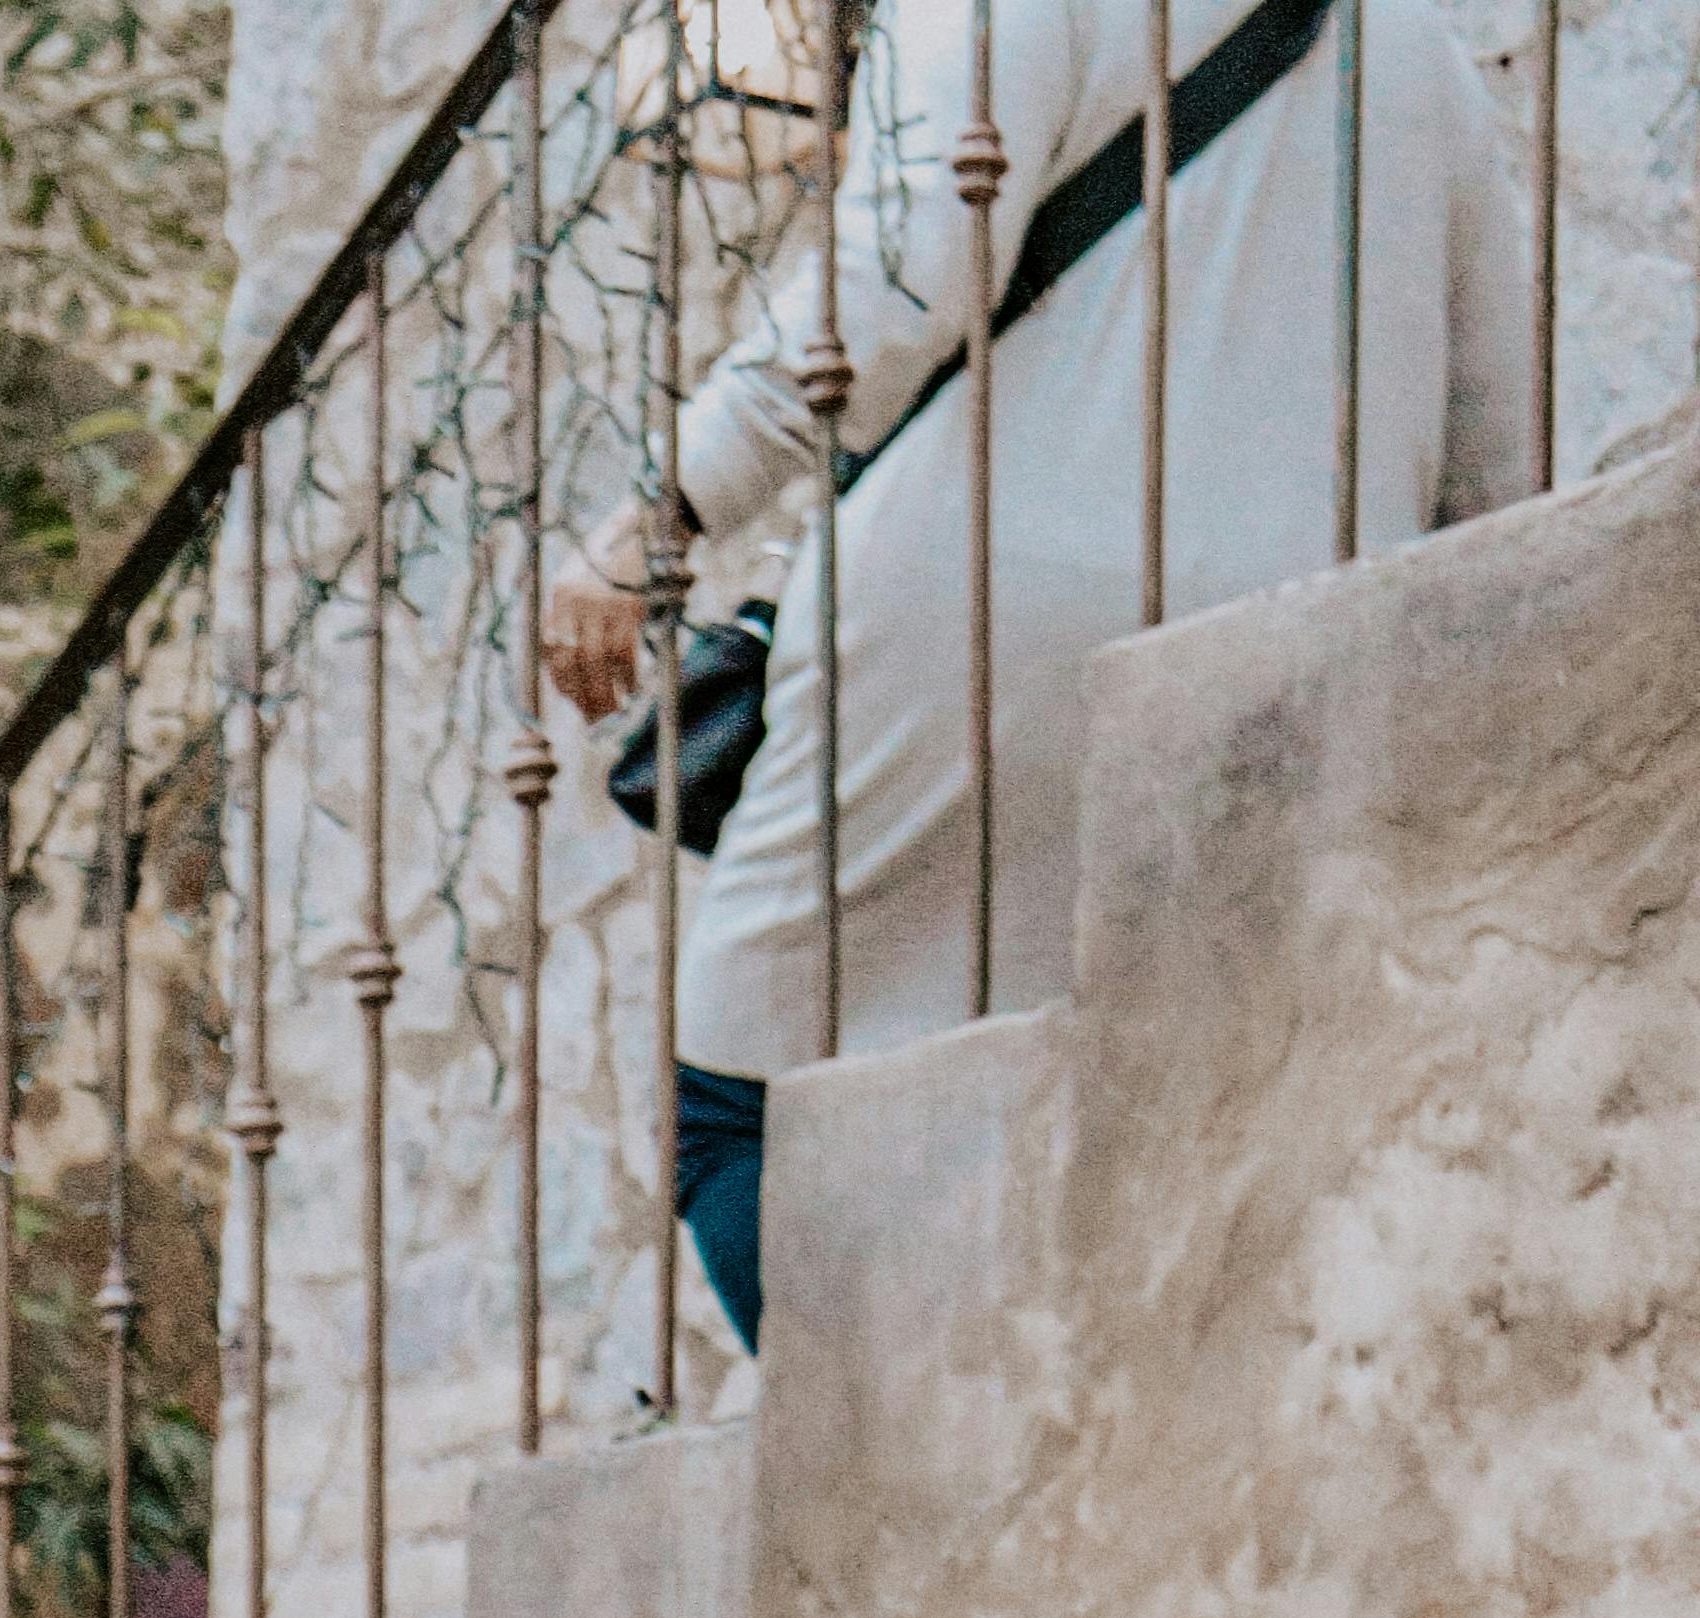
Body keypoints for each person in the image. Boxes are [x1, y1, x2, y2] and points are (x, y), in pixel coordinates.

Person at [544, 0, 1530, 1345]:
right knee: (1160, 1091)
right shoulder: (1426, 65)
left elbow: (896, 277)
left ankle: (901, 1469)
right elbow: (1497, 464)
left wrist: (656, 516)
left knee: (742, 1092)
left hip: (981, 612)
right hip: (1294, 651)